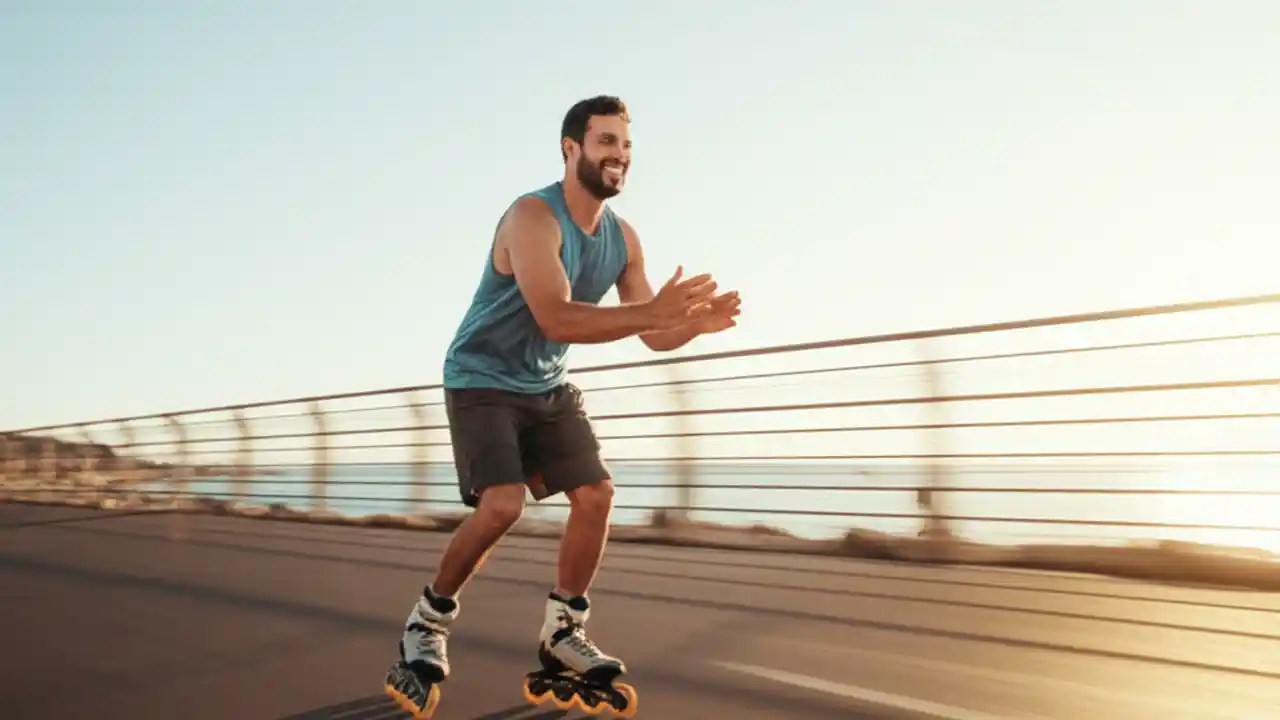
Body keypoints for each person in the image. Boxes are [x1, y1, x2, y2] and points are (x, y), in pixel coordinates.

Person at [384, 95, 741, 717]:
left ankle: (561, 630)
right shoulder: (532, 217)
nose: (620, 156)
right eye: (606, 143)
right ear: (571, 148)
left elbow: (651, 332)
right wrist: (650, 314)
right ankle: (428, 619)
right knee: (502, 504)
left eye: (626, 145)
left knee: (597, 494)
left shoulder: (622, 238)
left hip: (544, 384)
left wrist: (689, 328)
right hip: (482, 377)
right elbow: (555, 315)